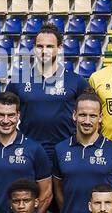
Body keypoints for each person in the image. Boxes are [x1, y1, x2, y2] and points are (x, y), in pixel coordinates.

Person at [52, 90, 112, 213]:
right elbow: (58, 189)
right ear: (74, 115)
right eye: (82, 115)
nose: (87, 121)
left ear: (100, 117)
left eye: (92, 116)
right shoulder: (60, 149)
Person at [12, 21, 86, 166]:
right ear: (34, 48)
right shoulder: (18, 81)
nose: (44, 50)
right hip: (29, 153)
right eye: (40, 46)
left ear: (59, 48)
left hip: (67, 153)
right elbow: (6, 113)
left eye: (50, 46)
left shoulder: (76, 81)